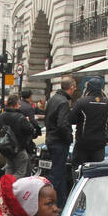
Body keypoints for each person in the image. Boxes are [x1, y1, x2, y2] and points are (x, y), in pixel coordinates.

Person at [70, 77, 108, 177]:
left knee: (78, 171)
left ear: (88, 88)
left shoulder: (81, 103)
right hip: (99, 146)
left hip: (82, 145)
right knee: (96, 173)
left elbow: (71, 120)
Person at [43, 75, 76, 208]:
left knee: (60, 174)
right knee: (57, 174)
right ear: (71, 88)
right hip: (59, 141)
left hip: (51, 139)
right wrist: (69, 137)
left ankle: (61, 203)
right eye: (74, 87)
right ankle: (45, 201)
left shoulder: (52, 100)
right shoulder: (63, 102)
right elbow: (62, 124)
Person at [0, 95, 39, 177]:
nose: (20, 106)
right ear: (15, 105)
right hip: (18, 148)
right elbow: (30, 130)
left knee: (9, 168)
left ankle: (7, 186)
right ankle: (13, 186)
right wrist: (28, 122)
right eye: (19, 104)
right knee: (21, 172)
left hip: (6, 147)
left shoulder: (2, 116)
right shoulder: (21, 117)